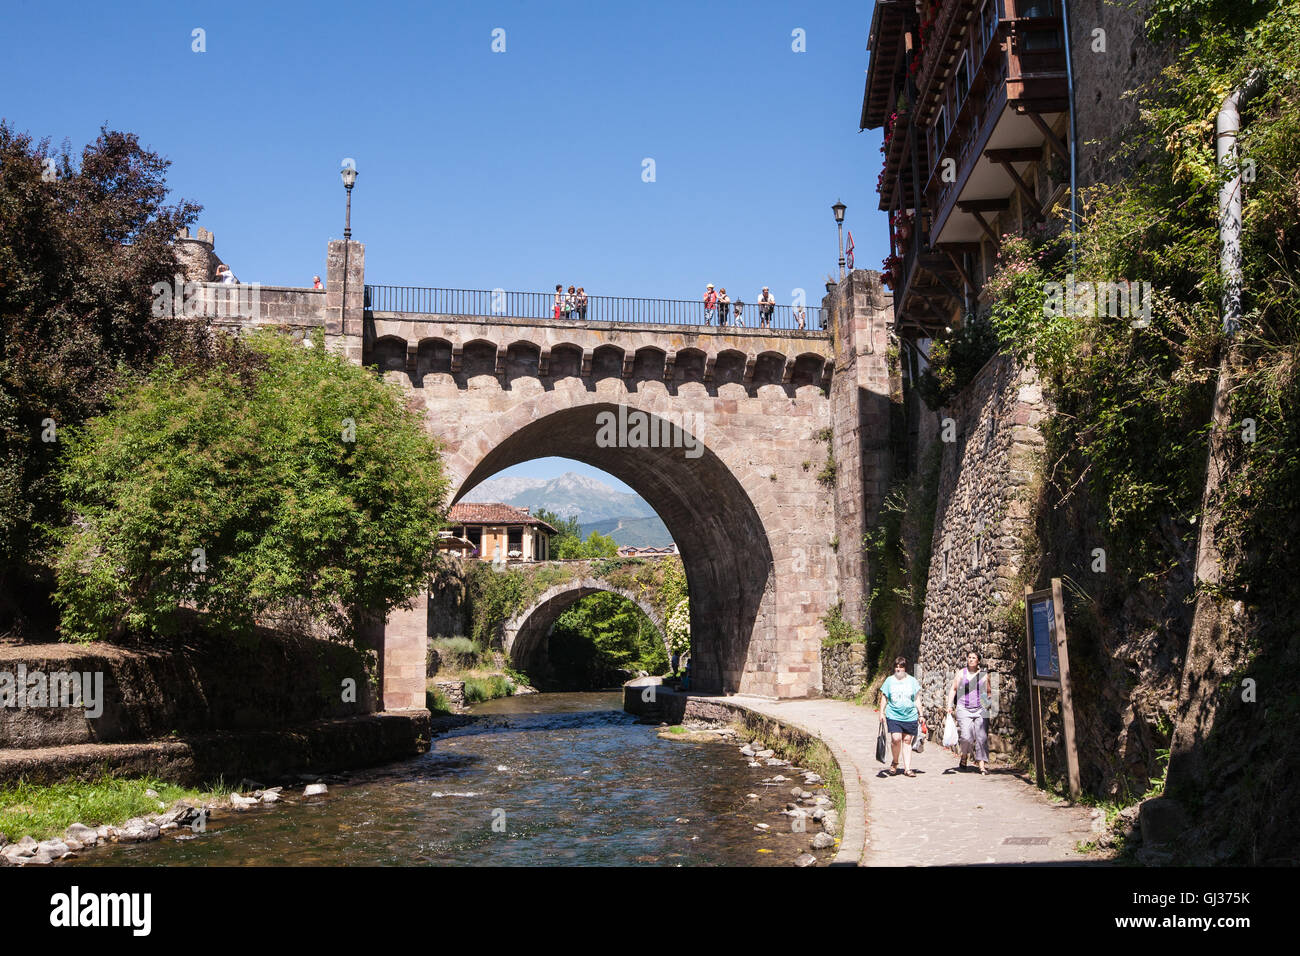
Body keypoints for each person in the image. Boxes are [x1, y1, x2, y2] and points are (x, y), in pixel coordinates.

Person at [947, 649, 991, 774]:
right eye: (969, 657)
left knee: (981, 737)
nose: (971, 659)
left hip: (980, 709)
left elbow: (988, 692)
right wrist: (950, 705)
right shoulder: (961, 673)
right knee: (966, 736)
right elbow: (953, 689)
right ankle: (964, 756)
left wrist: (986, 706)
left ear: (978, 661)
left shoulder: (983, 675)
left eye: (973, 658)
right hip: (964, 708)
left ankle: (981, 765)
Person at [877, 655, 921, 776]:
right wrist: (881, 712)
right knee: (896, 739)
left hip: (910, 716)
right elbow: (885, 697)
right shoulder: (889, 681)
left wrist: (921, 714)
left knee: (907, 740)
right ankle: (895, 762)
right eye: (896, 667)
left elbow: (917, 699)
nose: (898, 669)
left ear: (905, 668)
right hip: (894, 715)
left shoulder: (912, 681)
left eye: (901, 667)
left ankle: (907, 768)